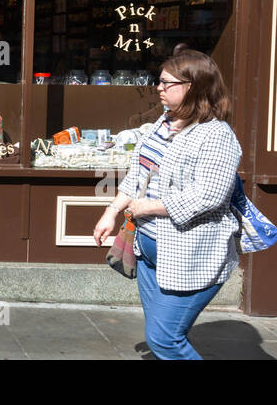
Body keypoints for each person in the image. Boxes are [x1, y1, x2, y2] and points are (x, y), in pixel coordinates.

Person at [92, 46, 241, 360]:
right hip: (147, 248)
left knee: (164, 340)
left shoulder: (216, 135)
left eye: (166, 83)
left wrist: (150, 207)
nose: (158, 88)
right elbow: (139, 173)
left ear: (193, 87)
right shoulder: (164, 122)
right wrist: (112, 211)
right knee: (162, 334)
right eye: (158, 81)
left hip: (190, 254)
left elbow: (209, 195)